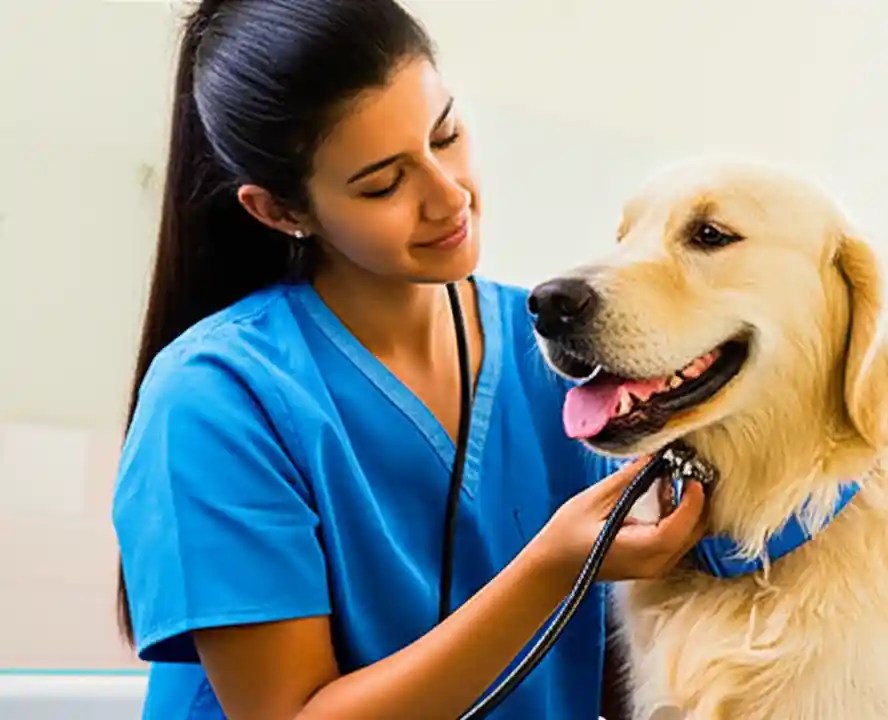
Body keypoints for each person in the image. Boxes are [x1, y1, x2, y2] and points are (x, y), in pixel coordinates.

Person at [109, 1, 709, 718]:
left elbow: (623, 670)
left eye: (446, 133)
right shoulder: (215, 399)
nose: (447, 194)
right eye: (383, 183)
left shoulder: (562, 348)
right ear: (279, 211)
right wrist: (556, 569)